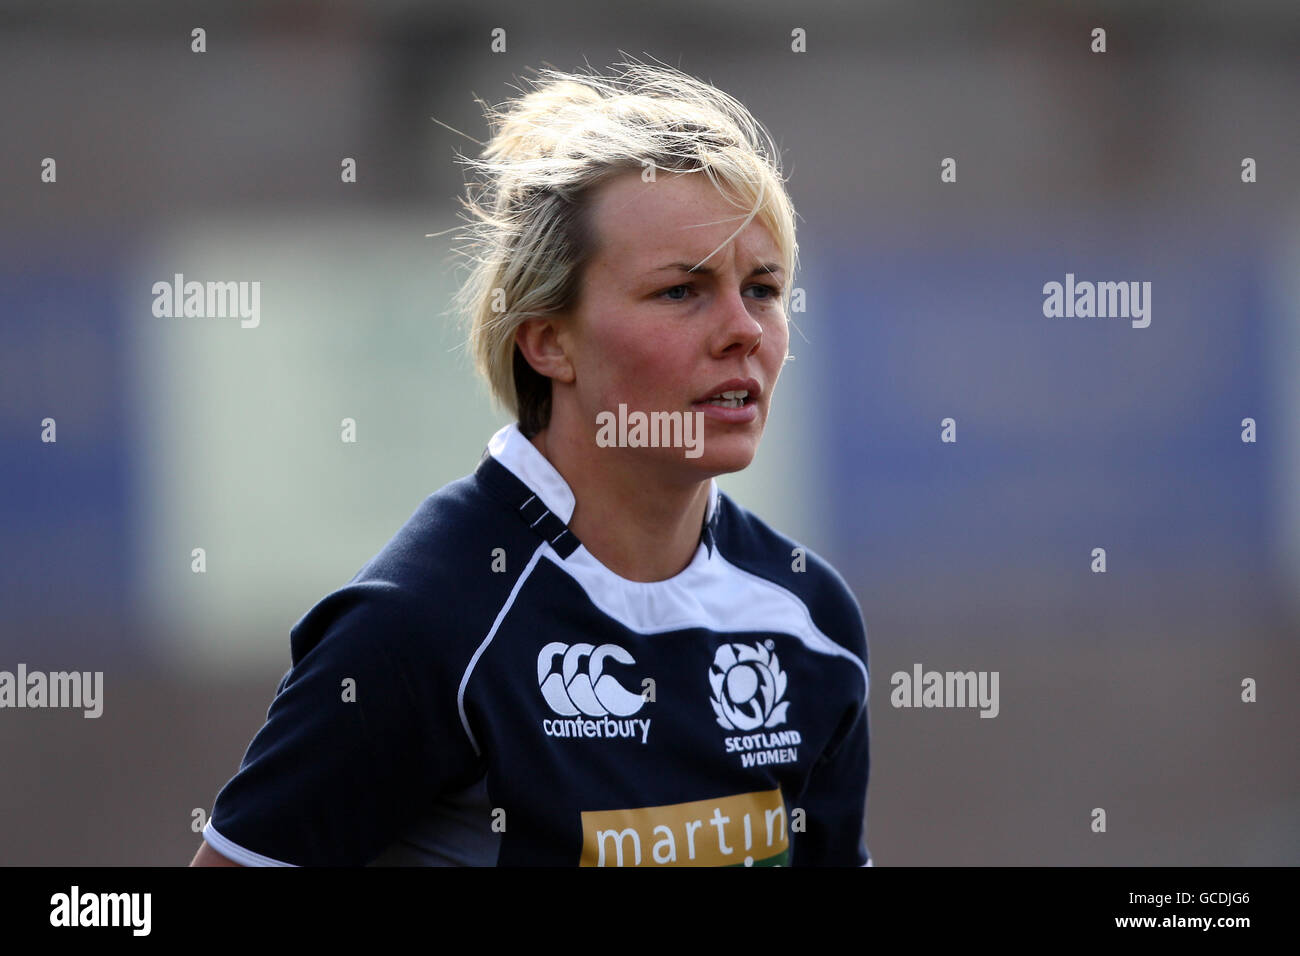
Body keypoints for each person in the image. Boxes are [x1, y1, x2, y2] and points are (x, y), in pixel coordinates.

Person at [191, 59, 871, 867]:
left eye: (762, 288)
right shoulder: (423, 627)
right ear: (549, 341)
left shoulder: (809, 619)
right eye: (681, 292)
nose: (744, 331)